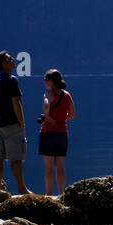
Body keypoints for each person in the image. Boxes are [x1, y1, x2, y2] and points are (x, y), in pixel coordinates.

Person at [0, 51, 30, 194]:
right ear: (3, 64)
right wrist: (21, 121)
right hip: (11, 123)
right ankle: (22, 189)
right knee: (16, 158)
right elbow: (15, 101)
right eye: (9, 58)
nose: (13, 59)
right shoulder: (12, 79)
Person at [38, 69, 75, 198]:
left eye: (45, 79)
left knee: (48, 167)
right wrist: (61, 119)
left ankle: (48, 194)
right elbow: (72, 114)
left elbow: (46, 106)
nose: (43, 81)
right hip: (62, 133)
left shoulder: (48, 93)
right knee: (60, 166)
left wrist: (48, 117)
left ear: (51, 81)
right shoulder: (67, 95)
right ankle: (61, 194)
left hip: (48, 132)